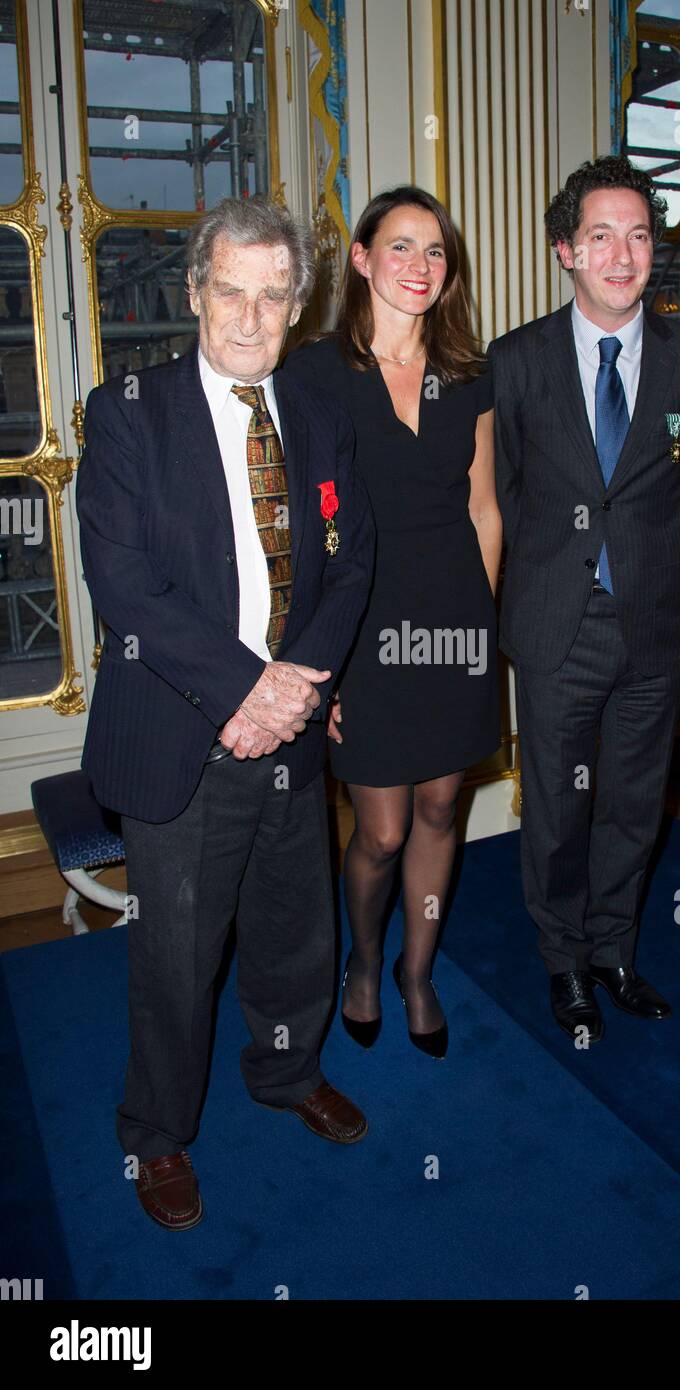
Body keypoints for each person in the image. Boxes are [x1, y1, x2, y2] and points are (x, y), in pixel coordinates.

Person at [76, 195, 375, 1229]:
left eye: (274, 296)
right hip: (180, 734)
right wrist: (246, 692)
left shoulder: (321, 409)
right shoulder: (124, 412)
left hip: (288, 728)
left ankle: (288, 1075)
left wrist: (296, 687)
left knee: (297, 926)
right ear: (195, 292)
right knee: (175, 952)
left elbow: (349, 563)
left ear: (299, 306)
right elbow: (125, 588)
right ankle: (156, 1132)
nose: (250, 318)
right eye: (230, 292)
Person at [488, 155, 680, 1045]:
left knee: (633, 801)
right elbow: (502, 501)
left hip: (656, 625)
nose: (623, 255)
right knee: (558, 810)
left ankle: (615, 951)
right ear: (565, 251)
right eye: (600, 237)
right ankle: (564, 964)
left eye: (638, 236)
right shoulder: (514, 364)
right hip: (559, 627)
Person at [283, 186, 501, 1059]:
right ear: (363, 260)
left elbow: (484, 509)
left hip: (455, 620)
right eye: (400, 247)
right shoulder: (312, 374)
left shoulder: (471, 374)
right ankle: (363, 962)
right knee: (381, 827)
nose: (419, 266)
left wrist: (479, 626)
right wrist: (316, 667)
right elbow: (302, 532)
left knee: (443, 808)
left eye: (436, 252)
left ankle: (418, 971)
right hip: (361, 628)